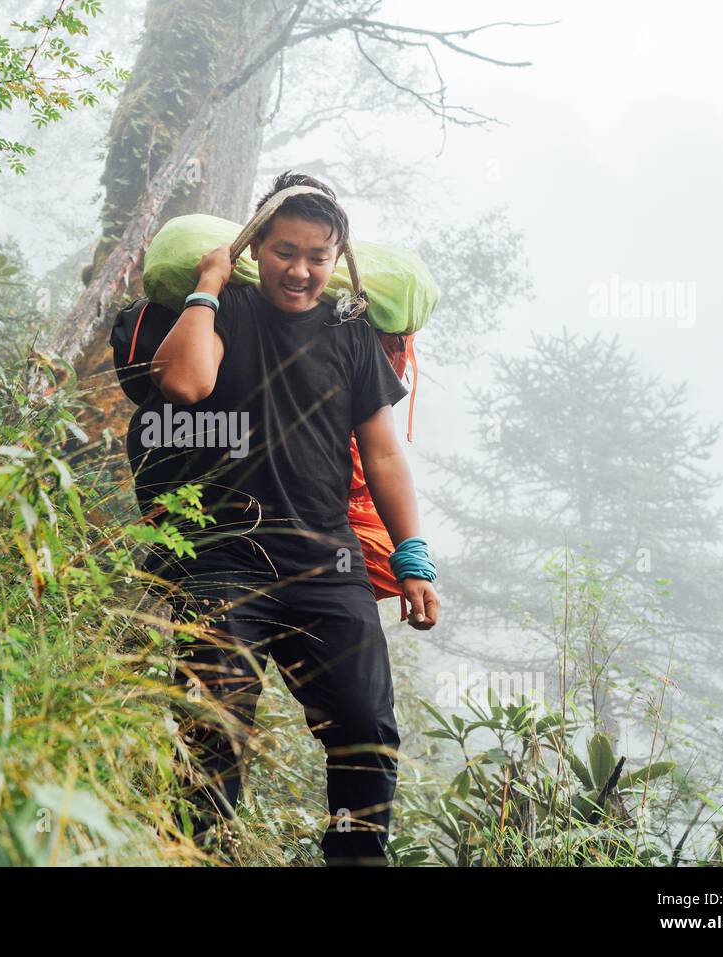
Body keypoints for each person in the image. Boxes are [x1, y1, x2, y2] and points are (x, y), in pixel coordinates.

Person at [129, 170, 440, 866]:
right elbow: (185, 383)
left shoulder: (352, 332)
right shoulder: (224, 310)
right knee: (214, 727)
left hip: (327, 563)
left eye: (316, 255)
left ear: (337, 260)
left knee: (365, 727)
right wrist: (209, 283)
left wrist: (412, 556)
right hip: (223, 556)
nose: (299, 270)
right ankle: (192, 855)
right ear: (256, 246)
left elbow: (383, 455)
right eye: (284, 250)